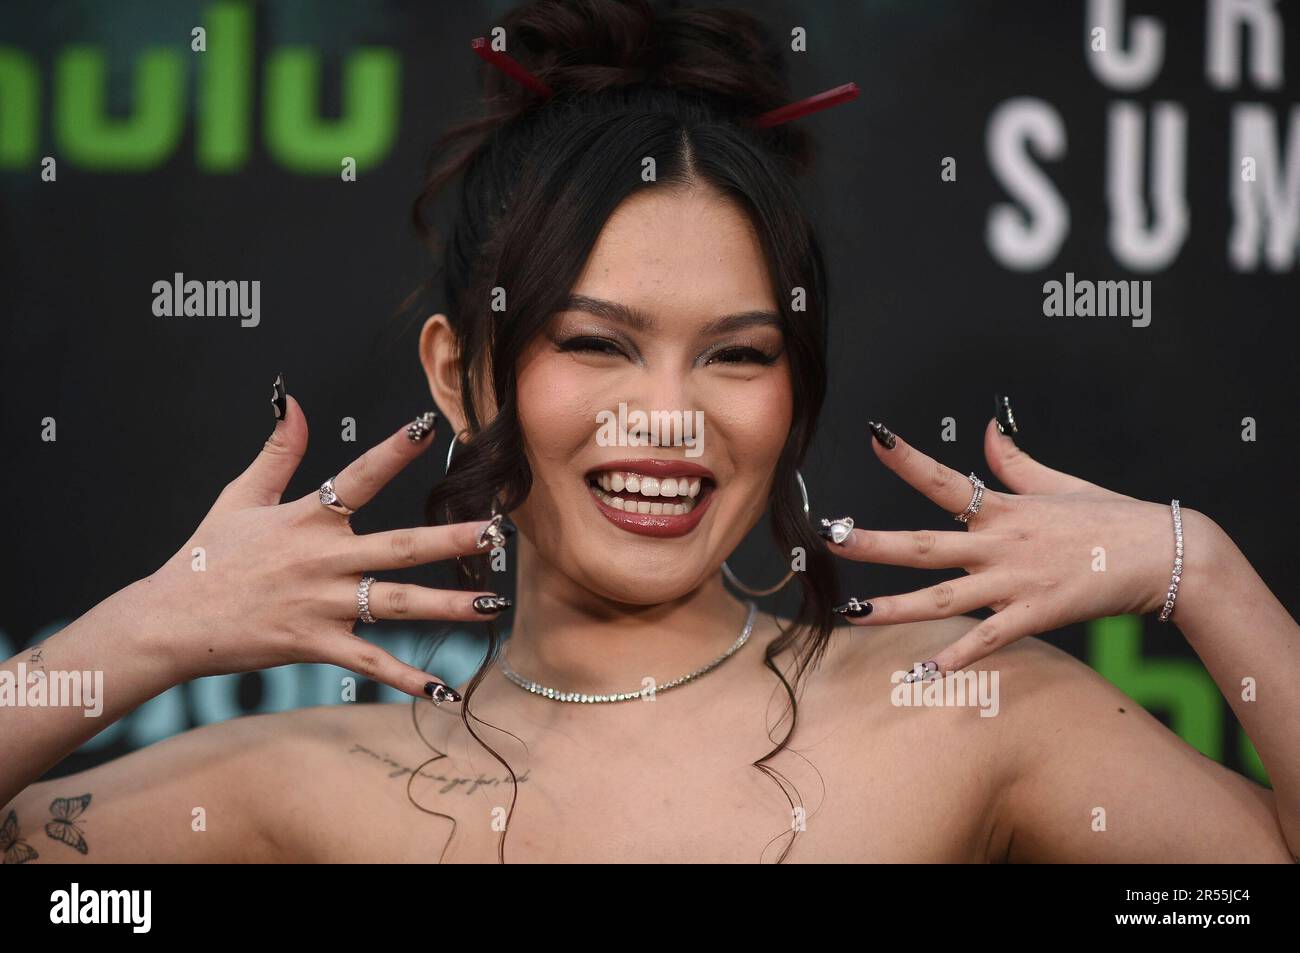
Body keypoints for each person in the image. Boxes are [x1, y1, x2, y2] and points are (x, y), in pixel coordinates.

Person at [2, 0, 1295, 863]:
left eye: (737, 354)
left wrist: (1202, 565)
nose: (669, 417)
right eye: (595, 342)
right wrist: (147, 630)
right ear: (460, 373)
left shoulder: (967, 710)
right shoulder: (307, 778)